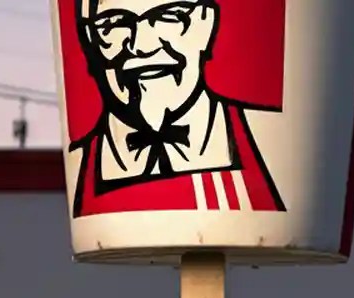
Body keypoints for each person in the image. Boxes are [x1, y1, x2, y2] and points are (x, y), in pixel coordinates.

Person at [68, 0, 284, 217]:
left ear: (205, 24)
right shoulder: (74, 168)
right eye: (114, 23)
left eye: (169, 15)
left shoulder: (276, 143)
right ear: (90, 40)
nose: (142, 46)